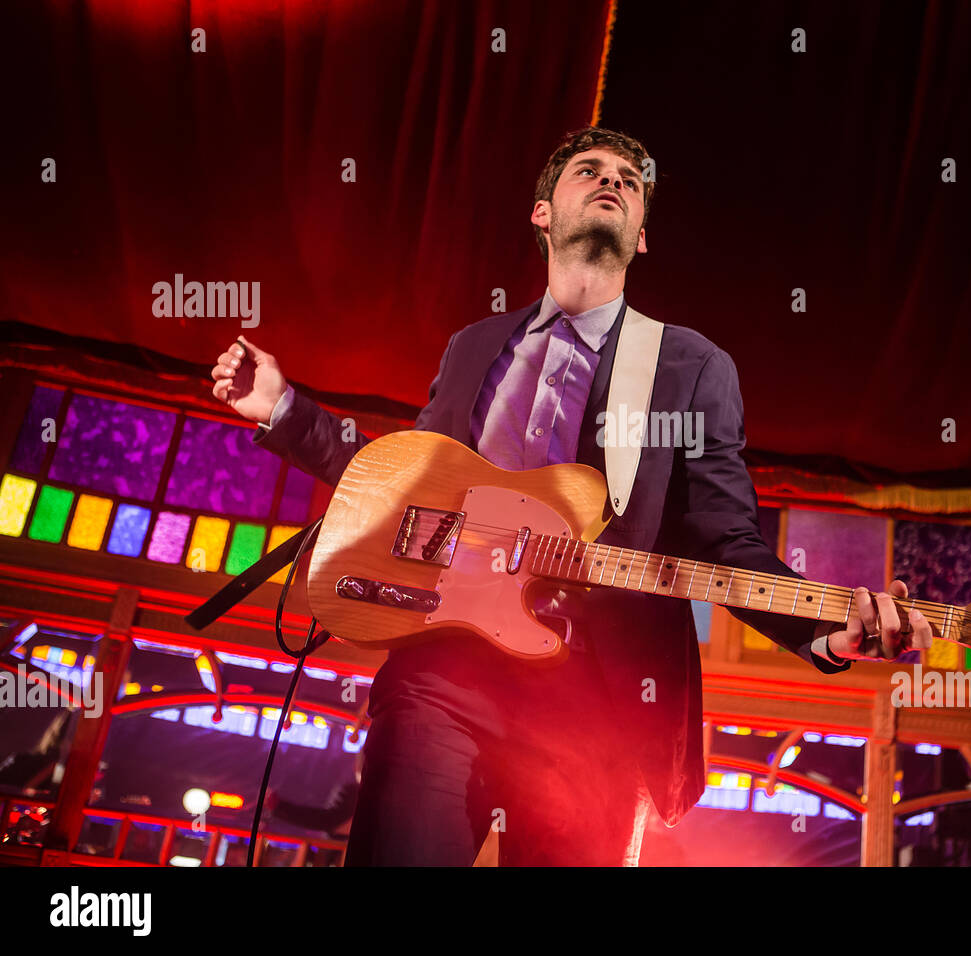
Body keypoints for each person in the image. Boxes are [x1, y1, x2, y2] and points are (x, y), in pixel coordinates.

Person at [209, 126, 932, 865]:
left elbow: (726, 540)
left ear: (642, 236)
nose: (612, 180)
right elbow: (404, 484)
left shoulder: (690, 366)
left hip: (601, 711)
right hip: (444, 678)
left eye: (630, 180)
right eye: (590, 170)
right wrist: (284, 410)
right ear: (542, 213)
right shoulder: (473, 345)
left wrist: (824, 628)